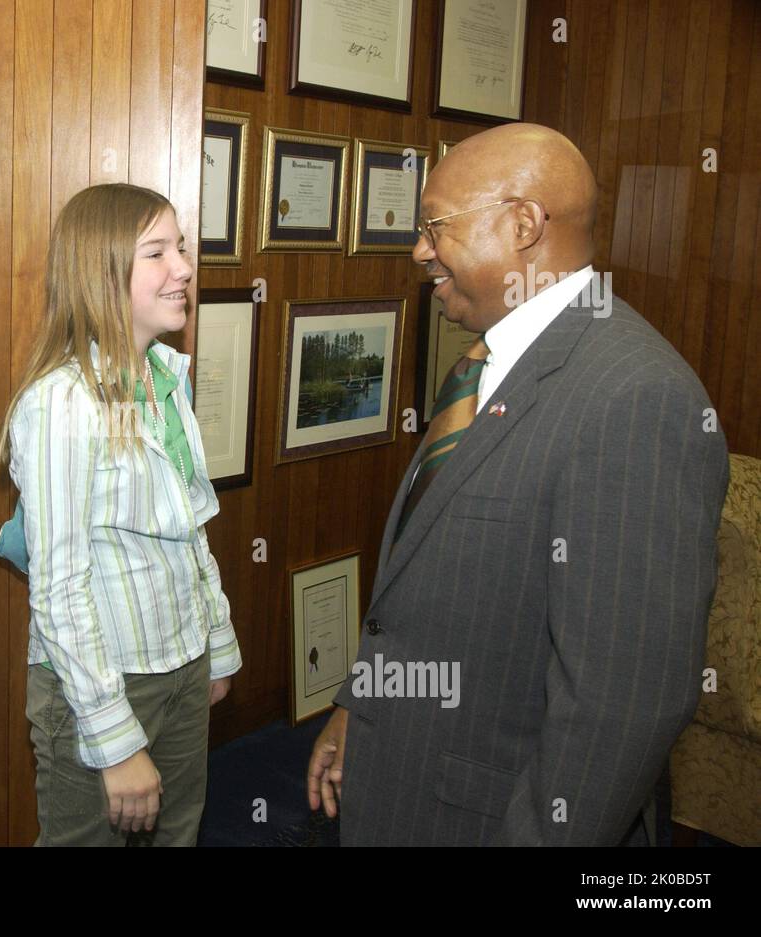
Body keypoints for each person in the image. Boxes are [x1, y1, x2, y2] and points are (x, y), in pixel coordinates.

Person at [306, 123, 729, 845]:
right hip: (401, 781)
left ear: (525, 224)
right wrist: (360, 707)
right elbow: (424, 591)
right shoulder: (481, 365)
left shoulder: (635, 396)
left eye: (435, 226)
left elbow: (622, 702)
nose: (418, 251)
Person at [0, 183, 241, 846]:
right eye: (157, 252)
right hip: (98, 683)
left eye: (181, 249)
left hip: (182, 664)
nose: (184, 268)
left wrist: (215, 645)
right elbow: (59, 586)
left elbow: (192, 529)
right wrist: (114, 739)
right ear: (101, 272)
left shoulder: (165, 376)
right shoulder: (59, 404)